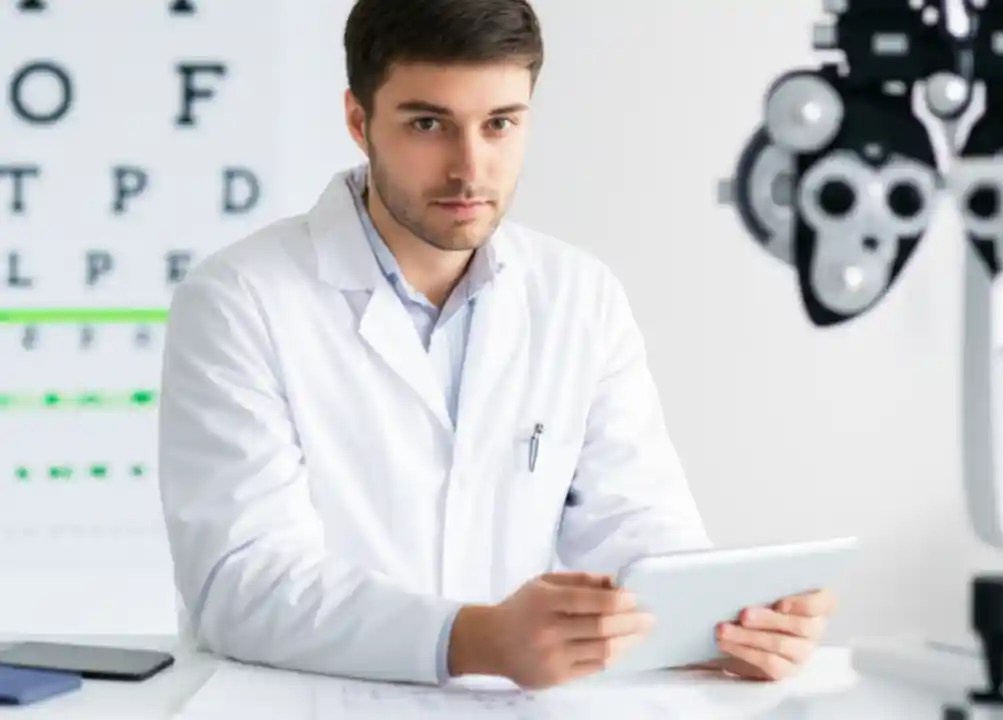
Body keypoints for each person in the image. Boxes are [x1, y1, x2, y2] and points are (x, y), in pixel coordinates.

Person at [158, 0, 834, 690]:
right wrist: (470, 639)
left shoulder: (578, 296)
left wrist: (723, 625)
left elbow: (640, 537)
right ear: (359, 122)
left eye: (500, 124)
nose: (469, 167)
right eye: (429, 124)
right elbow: (239, 582)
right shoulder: (239, 299)